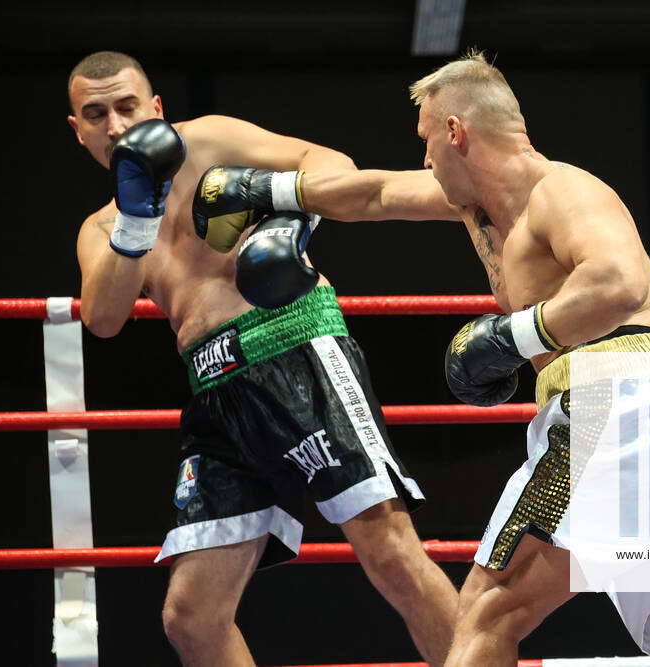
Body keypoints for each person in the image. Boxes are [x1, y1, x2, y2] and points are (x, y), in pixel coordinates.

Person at [194, 51, 650, 666]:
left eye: (427, 144)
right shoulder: (480, 212)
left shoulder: (563, 191)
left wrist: (512, 337)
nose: (425, 162)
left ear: (455, 131)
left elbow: (616, 279)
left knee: (490, 610)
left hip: (617, 409)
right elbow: (375, 193)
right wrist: (271, 190)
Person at [67, 51, 457, 667]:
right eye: (96, 114)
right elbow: (103, 317)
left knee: (390, 552)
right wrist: (137, 213)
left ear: (156, 109)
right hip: (215, 394)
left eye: (126, 107)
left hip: (292, 342)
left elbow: (325, 163)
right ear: (78, 129)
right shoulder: (102, 227)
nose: (115, 126)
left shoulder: (212, 140)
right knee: (192, 619)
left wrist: (289, 215)